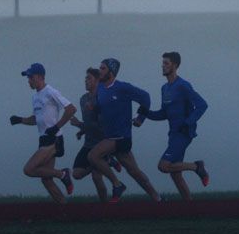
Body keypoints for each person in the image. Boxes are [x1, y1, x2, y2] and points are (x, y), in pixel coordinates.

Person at [134, 52, 209, 201]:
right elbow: (164, 114)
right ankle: (190, 209)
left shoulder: (183, 85)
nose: (162, 66)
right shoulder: (164, 88)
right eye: (162, 63)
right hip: (173, 134)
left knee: (163, 166)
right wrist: (147, 113)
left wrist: (187, 123)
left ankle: (196, 167)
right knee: (175, 175)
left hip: (184, 133)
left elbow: (202, 105)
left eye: (166, 63)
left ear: (175, 65)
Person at [87, 58, 162, 203]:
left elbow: (145, 97)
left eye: (103, 68)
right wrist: (94, 108)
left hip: (121, 137)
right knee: (134, 171)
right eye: (100, 68)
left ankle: (117, 184)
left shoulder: (122, 88)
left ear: (111, 71)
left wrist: (140, 118)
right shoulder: (101, 87)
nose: (99, 71)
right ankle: (157, 198)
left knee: (93, 156)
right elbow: (104, 107)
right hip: (110, 136)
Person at [9, 62, 76, 204]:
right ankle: (64, 209)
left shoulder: (51, 91)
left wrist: (56, 127)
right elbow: (36, 119)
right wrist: (20, 120)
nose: (29, 80)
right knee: (46, 180)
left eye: (31, 77)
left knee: (29, 169)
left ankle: (63, 174)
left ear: (40, 77)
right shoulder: (35, 97)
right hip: (43, 139)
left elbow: (71, 109)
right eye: (28, 78)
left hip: (53, 139)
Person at [69, 67, 122, 203]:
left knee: (96, 177)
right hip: (89, 143)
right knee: (76, 174)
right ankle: (107, 161)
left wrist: (79, 125)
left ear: (98, 81)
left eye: (89, 79)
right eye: (85, 78)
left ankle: (104, 207)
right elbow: (90, 123)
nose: (86, 81)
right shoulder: (83, 99)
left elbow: (102, 127)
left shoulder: (103, 99)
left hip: (102, 143)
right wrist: (82, 130)